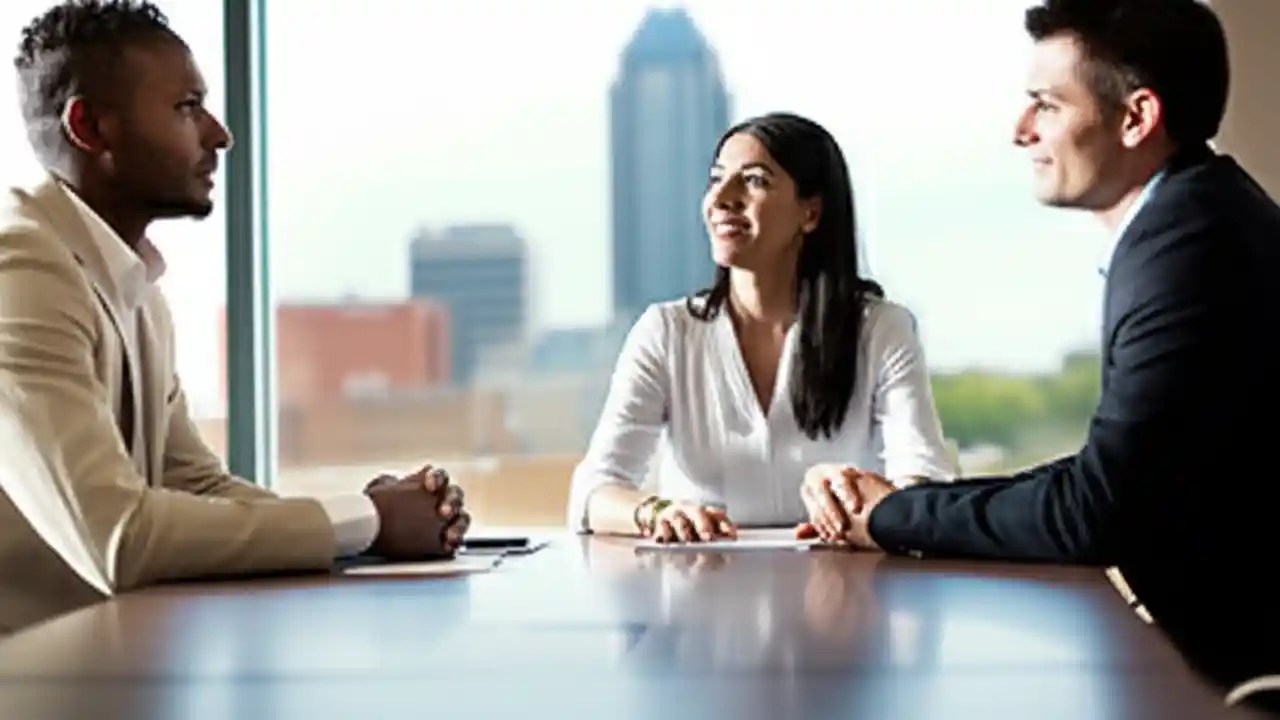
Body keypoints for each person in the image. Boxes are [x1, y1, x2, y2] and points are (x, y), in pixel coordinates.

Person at [822, 0, 1280, 703]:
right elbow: (1115, 472)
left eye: (1046, 106)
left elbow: (1097, 510)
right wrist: (912, 503)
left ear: (1136, 117)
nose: (1020, 131)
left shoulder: (1190, 245)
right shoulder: (1192, 216)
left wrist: (889, 518)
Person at [0, 0, 469, 632]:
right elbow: (118, 537)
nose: (219, 134)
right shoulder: (23, 269)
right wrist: (367, 518)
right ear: (91, 127)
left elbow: (198, 488)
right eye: (186, 107)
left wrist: (369, 521)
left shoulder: (130, 281)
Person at [567, 112, 956, 543]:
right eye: (717, 179)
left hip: (842, 591)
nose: (722, 198)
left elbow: (925, 480)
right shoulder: (666, 331)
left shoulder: (881, 327)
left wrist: (869, 509)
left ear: (811, 213)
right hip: (699, 590)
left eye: (754, 181)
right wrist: (656, 511)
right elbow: (592, 492)